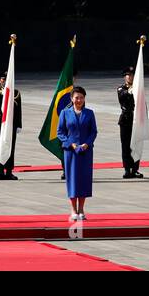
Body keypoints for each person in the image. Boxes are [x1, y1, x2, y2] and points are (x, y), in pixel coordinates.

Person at [56, 87, 98, 220]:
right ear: (71, 99)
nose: (79, 100)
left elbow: (93, 132)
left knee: (84, 179)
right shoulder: (65, 113)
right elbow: (60, 132)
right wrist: (71, 143)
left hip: (86, 151)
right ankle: (73, 209)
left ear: (84, 98)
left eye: (81, 97)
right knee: (73, 179)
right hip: (71, 152)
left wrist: (87, 143)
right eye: (76, 97)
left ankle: (81, 209)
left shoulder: (89, 113)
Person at [0, 77, 21, 180]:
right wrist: (4, 92)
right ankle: (0, 171)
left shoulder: (16, 92)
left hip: (11, 123)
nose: (4, 80)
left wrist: (19, 125)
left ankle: (9, 171)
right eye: (3, 79)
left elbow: (18, 109)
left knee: (10, 146)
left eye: (7, 78)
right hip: (0, 123)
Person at [117, 67, 142, 180]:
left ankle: (135, 169)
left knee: (136, 145)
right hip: (126, 120)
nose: (129, 77)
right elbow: (123, 95)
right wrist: (131, 90)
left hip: (136, 120)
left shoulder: (139, 89)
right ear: (124, 77)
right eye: (127, 75)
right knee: (126, 146)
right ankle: (127, 169)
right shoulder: (121, 89)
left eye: (131, 75)